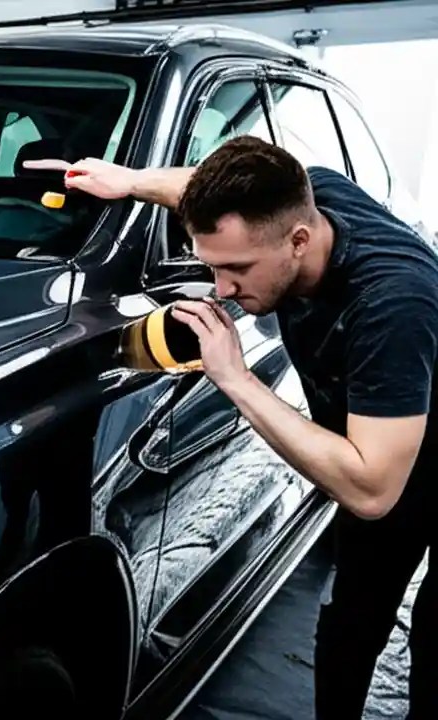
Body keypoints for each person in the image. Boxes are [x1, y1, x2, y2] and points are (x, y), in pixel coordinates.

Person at [27, 137, 435, 719]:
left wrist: (237, 379)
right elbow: (192, 186)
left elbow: (373, 490)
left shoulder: (391, 304)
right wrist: (129, 179)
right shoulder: (302, 193)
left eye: (237, 269)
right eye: (213, 265)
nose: (221, 288)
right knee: (353, 614)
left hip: (401, 448)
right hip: (373, 425)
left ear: (299, 241)